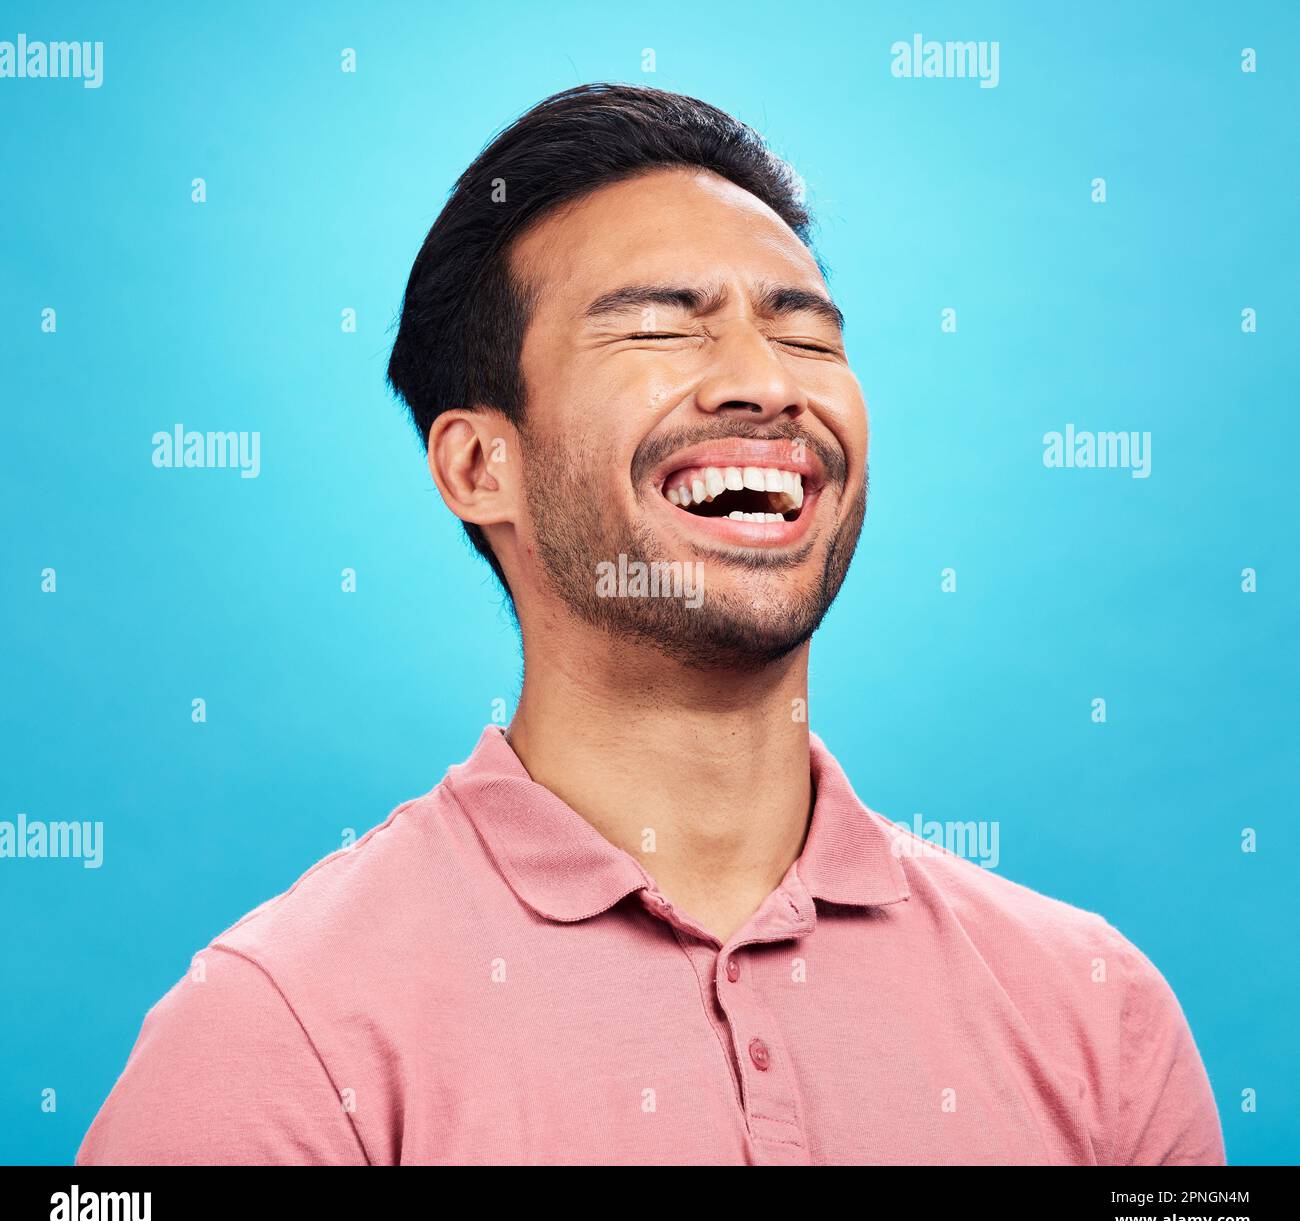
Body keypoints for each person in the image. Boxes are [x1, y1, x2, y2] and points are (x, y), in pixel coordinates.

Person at [76, 83, 1225, 1166]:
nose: (763, 382)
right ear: (481, 465)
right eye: (660, 328)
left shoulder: (1099, 1009)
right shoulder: (277, 1032)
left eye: (806, 333)